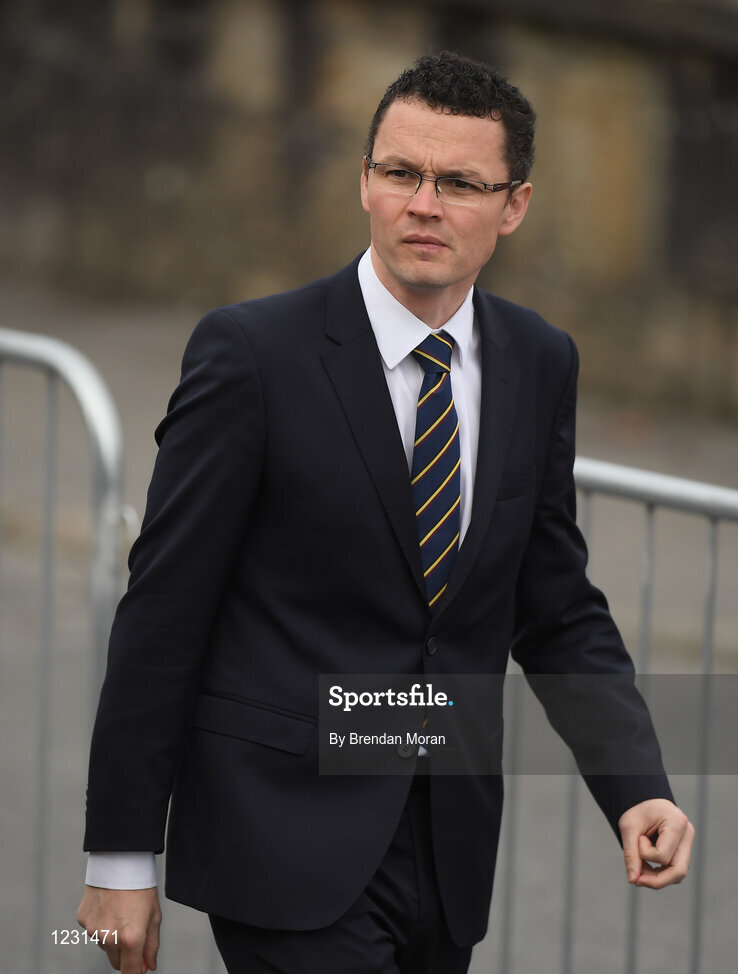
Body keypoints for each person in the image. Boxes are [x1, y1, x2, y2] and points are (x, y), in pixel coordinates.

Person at [78, 51, 694, 974]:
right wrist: (121, 858)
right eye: (401, 173)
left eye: (460, 182)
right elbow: (163, 611)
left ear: (514, 205)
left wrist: (634, 784)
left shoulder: (539, 361)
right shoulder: (252, 355)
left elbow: (557, 605)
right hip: (281, 837)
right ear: (365, 181)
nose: (425, 204)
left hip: (445, 849)